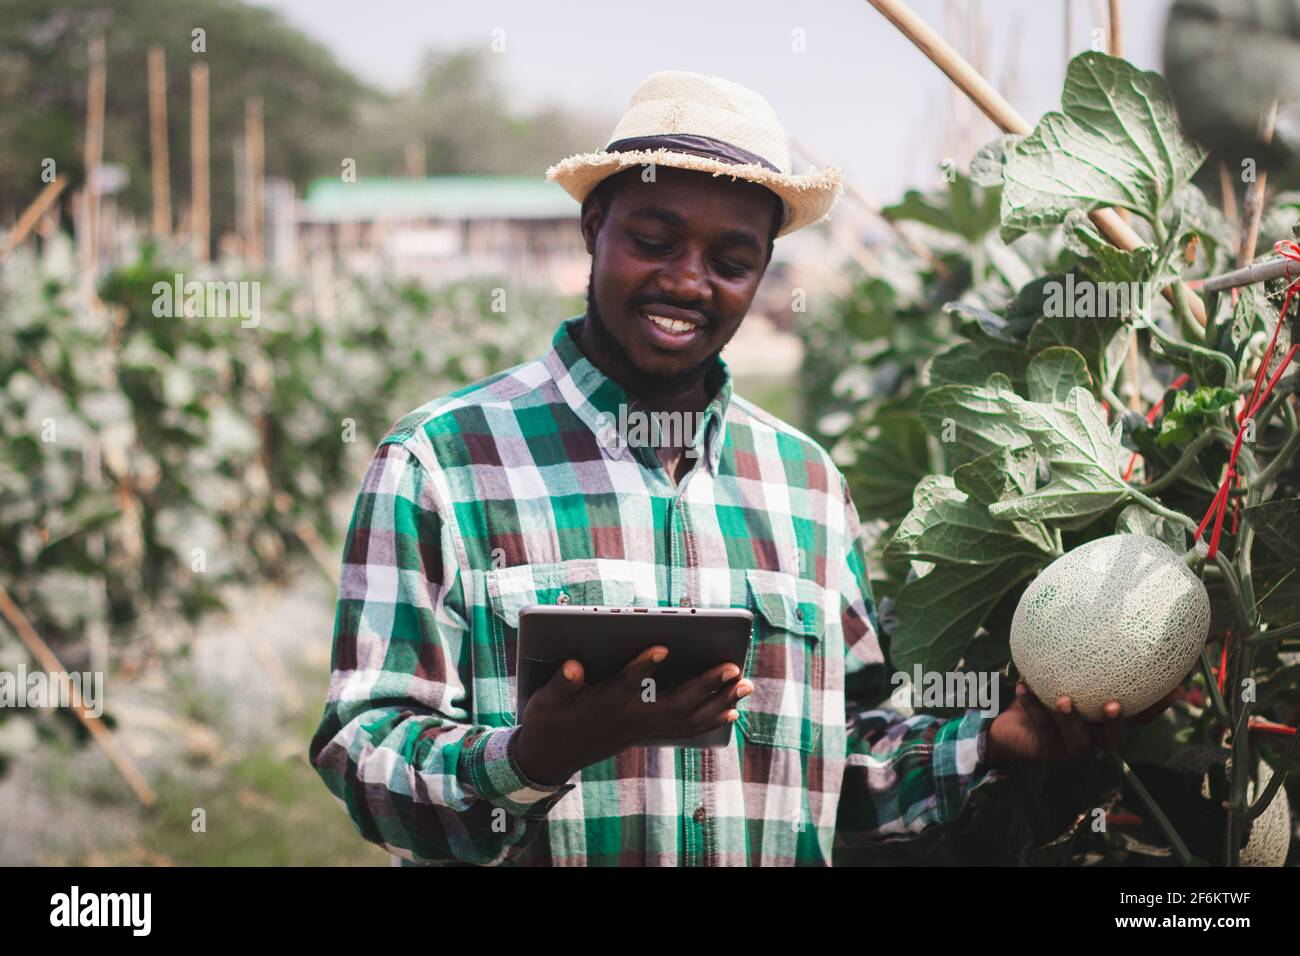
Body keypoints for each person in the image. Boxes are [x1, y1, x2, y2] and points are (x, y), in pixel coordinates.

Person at [309, 70, 1169, 866]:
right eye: (653, 239)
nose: (688, 282)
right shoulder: (443, 460)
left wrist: (988, 743)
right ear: (592, 228)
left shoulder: (806, 486)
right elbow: (363, 750)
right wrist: (531, 758)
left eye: (731, 261)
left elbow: (843, 762)